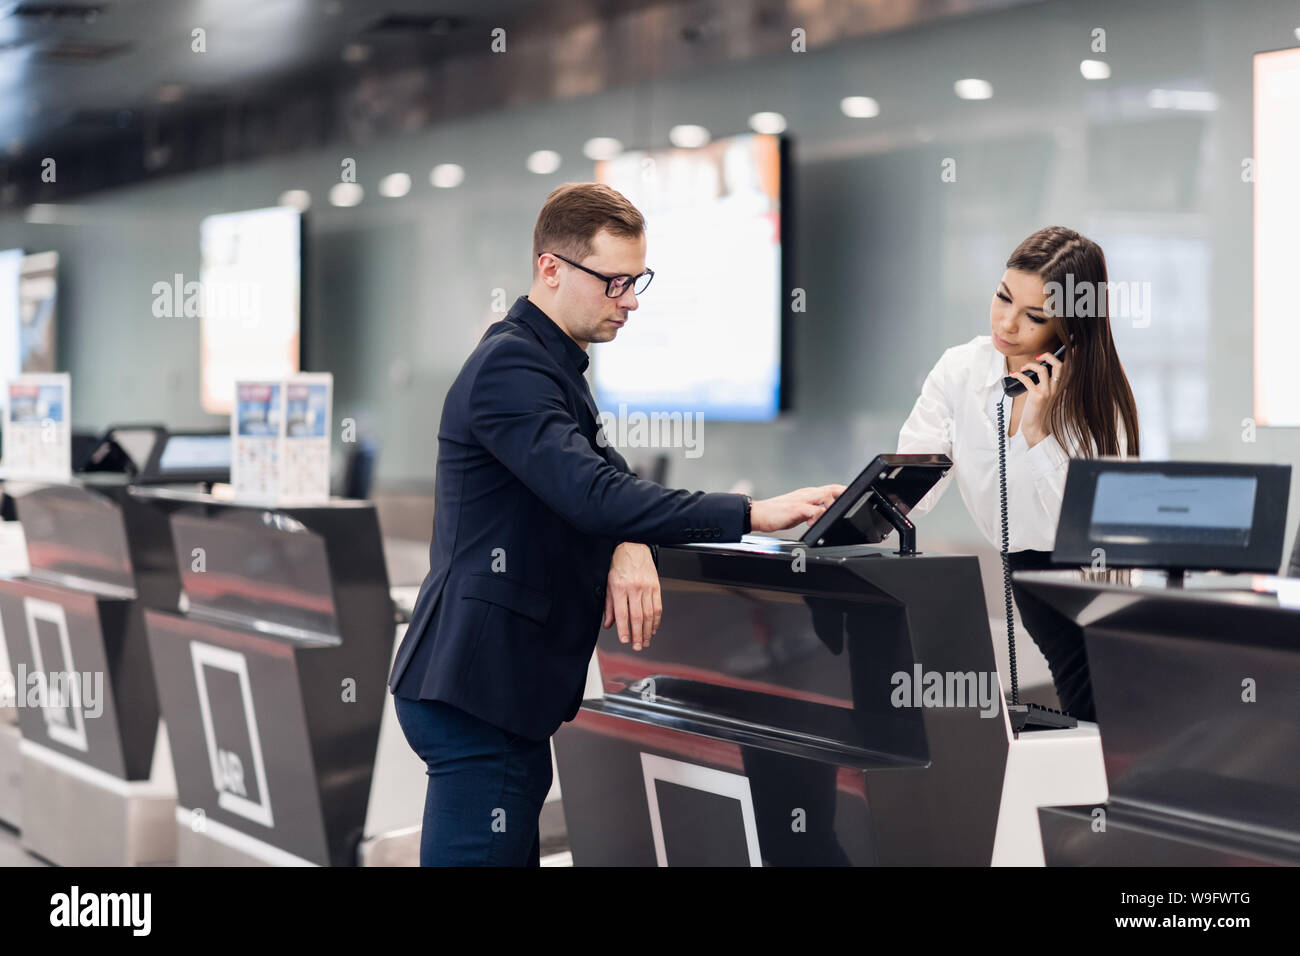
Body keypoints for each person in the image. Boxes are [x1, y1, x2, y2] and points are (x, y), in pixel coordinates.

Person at [388, 182, 844, 866]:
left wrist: (628, 538)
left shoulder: (550, 365)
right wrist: (751, 512)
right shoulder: (512, 367)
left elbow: (602, 483)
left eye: (637, 281)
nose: (630, 300)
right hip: (479, 690)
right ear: (551, 269)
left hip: (493, 692)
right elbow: (595, 493)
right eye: (615, 282)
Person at [897, 225, 1140, 721]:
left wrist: (1036, 433)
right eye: (1003, 297)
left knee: (1106, 718)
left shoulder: (1095, 398)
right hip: (1025, 569)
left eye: (1033, 316)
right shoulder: (961, 370)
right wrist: (858, 506)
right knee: (1086, 719)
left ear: (1069, 327)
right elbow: (913, 484)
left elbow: (1084, 526)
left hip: (1090, 579)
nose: (1006, 323)